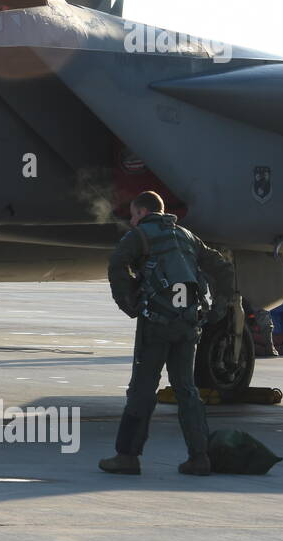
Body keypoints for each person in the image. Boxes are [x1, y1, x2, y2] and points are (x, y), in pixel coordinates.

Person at [101, 191, 236, 476]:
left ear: (141, 212)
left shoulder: (139, 236)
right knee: (186, 389)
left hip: (156, 324)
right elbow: (222, 267)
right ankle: (199, 457)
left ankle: (127, 456)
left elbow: (116, 266)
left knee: (142, 388)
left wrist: (129, 303)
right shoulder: (185, 235)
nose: (132, 220)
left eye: (134, 215)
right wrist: (219, 309)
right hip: (188, 322)